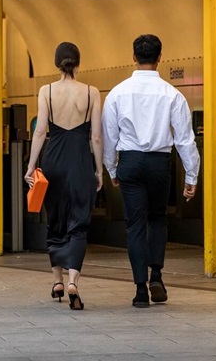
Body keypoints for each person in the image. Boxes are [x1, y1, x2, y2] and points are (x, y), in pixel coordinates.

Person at [101, 34, 200, 308]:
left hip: (130, 163)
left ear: (133, 57)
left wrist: (112, 169)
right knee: (157, 219)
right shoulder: (173, 94)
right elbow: (184, 139)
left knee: (134, 225)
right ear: (160, 58)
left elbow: (109, 136)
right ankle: (156, 275)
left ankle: (140, 290)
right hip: (159, 163)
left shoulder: (117, 93)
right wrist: (191, 176)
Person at [24, 42, 103, 310]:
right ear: (78, 64)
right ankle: (73, 282)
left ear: (57, 63)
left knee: (55, 221)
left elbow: (39, 131)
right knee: (78, 222)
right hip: (80, 162)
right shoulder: (92, 93)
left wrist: (31, 165)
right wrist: (99, 169)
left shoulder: (45, 91)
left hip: (54, 161)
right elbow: (95, 136)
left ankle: (56, 280)